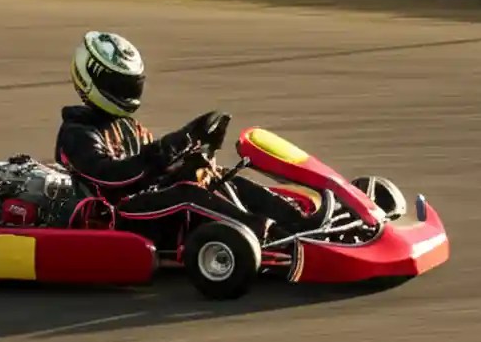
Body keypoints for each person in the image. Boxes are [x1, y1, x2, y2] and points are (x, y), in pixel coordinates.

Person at [54, 30, 334, 242]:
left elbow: (154, 168)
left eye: (130, 83)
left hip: (149, 201)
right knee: (186, 194)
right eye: (119, 84)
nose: (128, 91)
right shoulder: (77, 132)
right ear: (91, 80)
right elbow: (114, 177)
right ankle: (266, 235)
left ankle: (299, 222)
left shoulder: (127, 126)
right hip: (119, 215)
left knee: (219, 177)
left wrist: (190, 161)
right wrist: (173, 145)